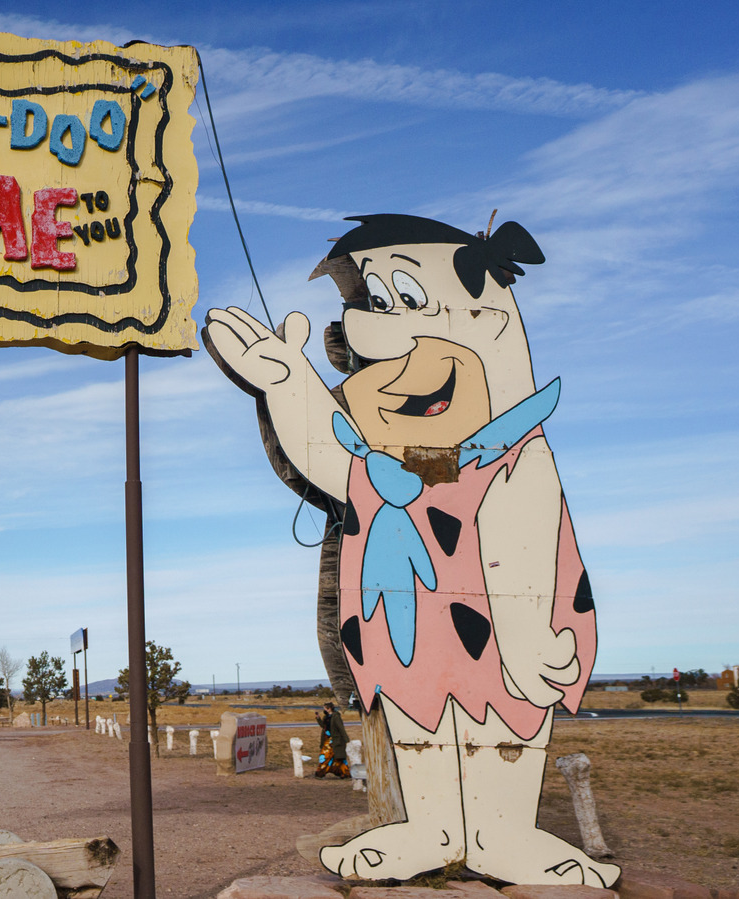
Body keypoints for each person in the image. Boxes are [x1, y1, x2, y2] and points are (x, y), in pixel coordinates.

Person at [204, 214, 615, 888]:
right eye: (371, 303)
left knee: (505, 712)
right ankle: (432, 827)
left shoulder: (512, 452)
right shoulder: (398, 465)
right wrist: (286, 385)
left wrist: (522, 623)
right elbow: (336, 459)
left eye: (400, 299)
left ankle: (503, 830)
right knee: (416, 709)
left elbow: (524, 520)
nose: (368, 329)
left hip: (500, 633)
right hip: (407, 623)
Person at [313, 701, 350, 778]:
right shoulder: (326, 717)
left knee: (333, 757)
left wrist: (346, 739)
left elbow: (341, 728)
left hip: (335, 740)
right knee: (328, 756)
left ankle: (321, 772)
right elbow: (323, 726)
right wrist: (318, 719)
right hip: (327, 739)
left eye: (325, 708)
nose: (324, 710)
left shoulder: (336, 717)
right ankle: (343, 773)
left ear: (329, 709)